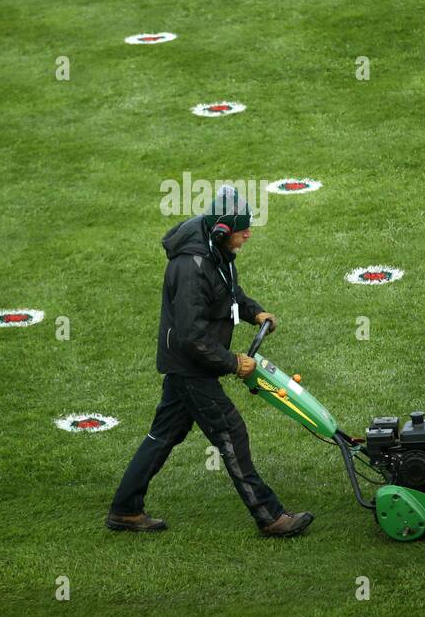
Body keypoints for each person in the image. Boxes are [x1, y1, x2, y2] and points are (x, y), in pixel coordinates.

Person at [106, 185, 314, 537]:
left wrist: (255, 312)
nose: (248, 234)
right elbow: (190, 336)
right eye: (242, 229)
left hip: (190, 365)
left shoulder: (215, 252)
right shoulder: (191, 267)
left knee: (163, 435)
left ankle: (125, 509)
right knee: (230, 432)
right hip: (190, 367)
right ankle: (270, 516)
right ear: (222, 230)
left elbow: (229, 295)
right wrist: (233, 363)